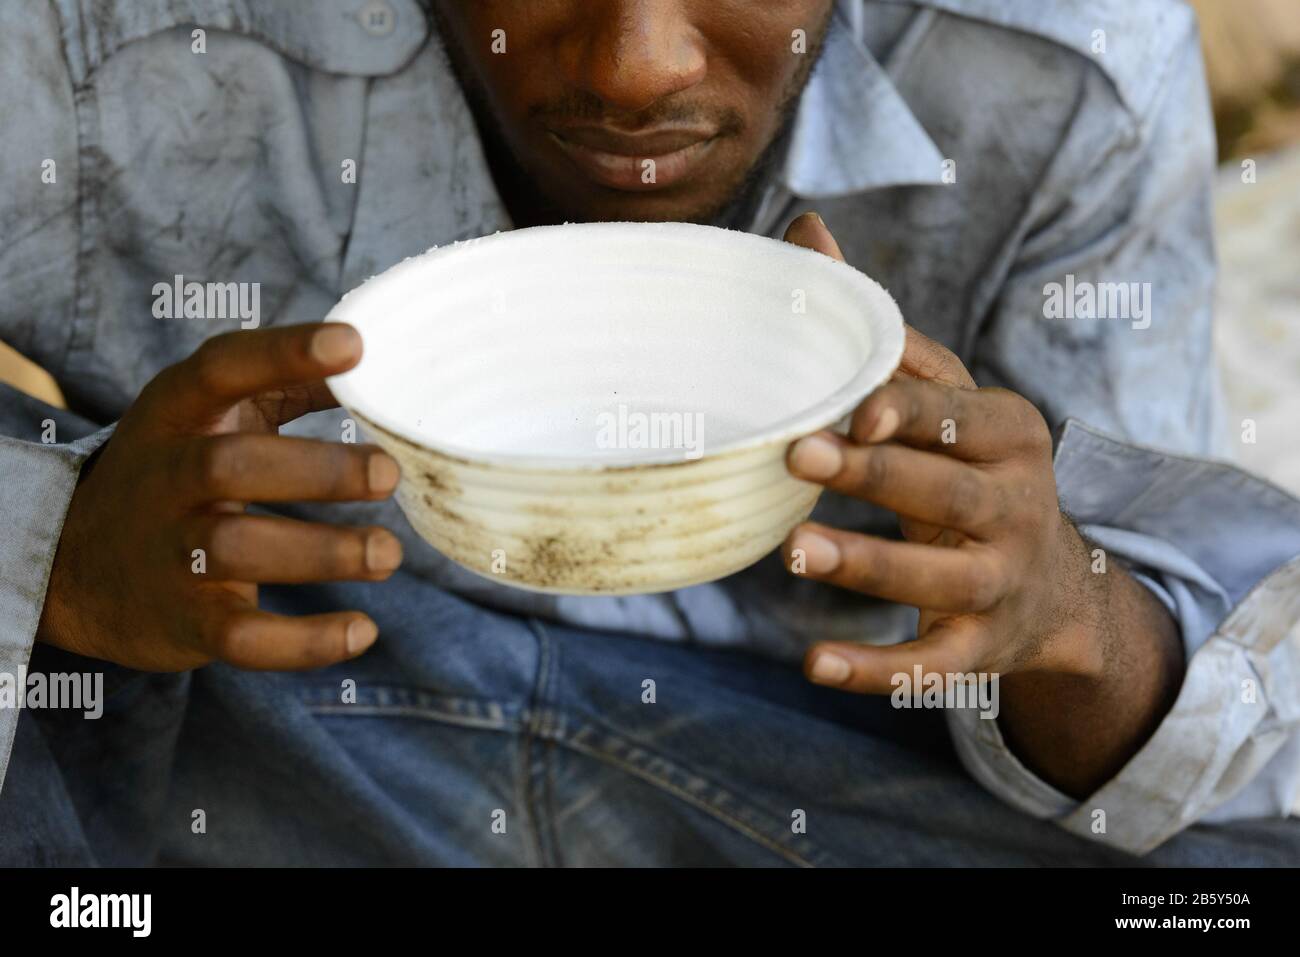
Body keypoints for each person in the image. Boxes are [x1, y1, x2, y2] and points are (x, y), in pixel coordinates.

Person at [1, 0, 1297, 866]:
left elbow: (1195, 710)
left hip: (810, 750)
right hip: (259, 735)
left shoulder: (1066, 66)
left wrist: (1064, 610)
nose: (640, 71)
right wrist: (60, 562)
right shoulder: (85, 42)